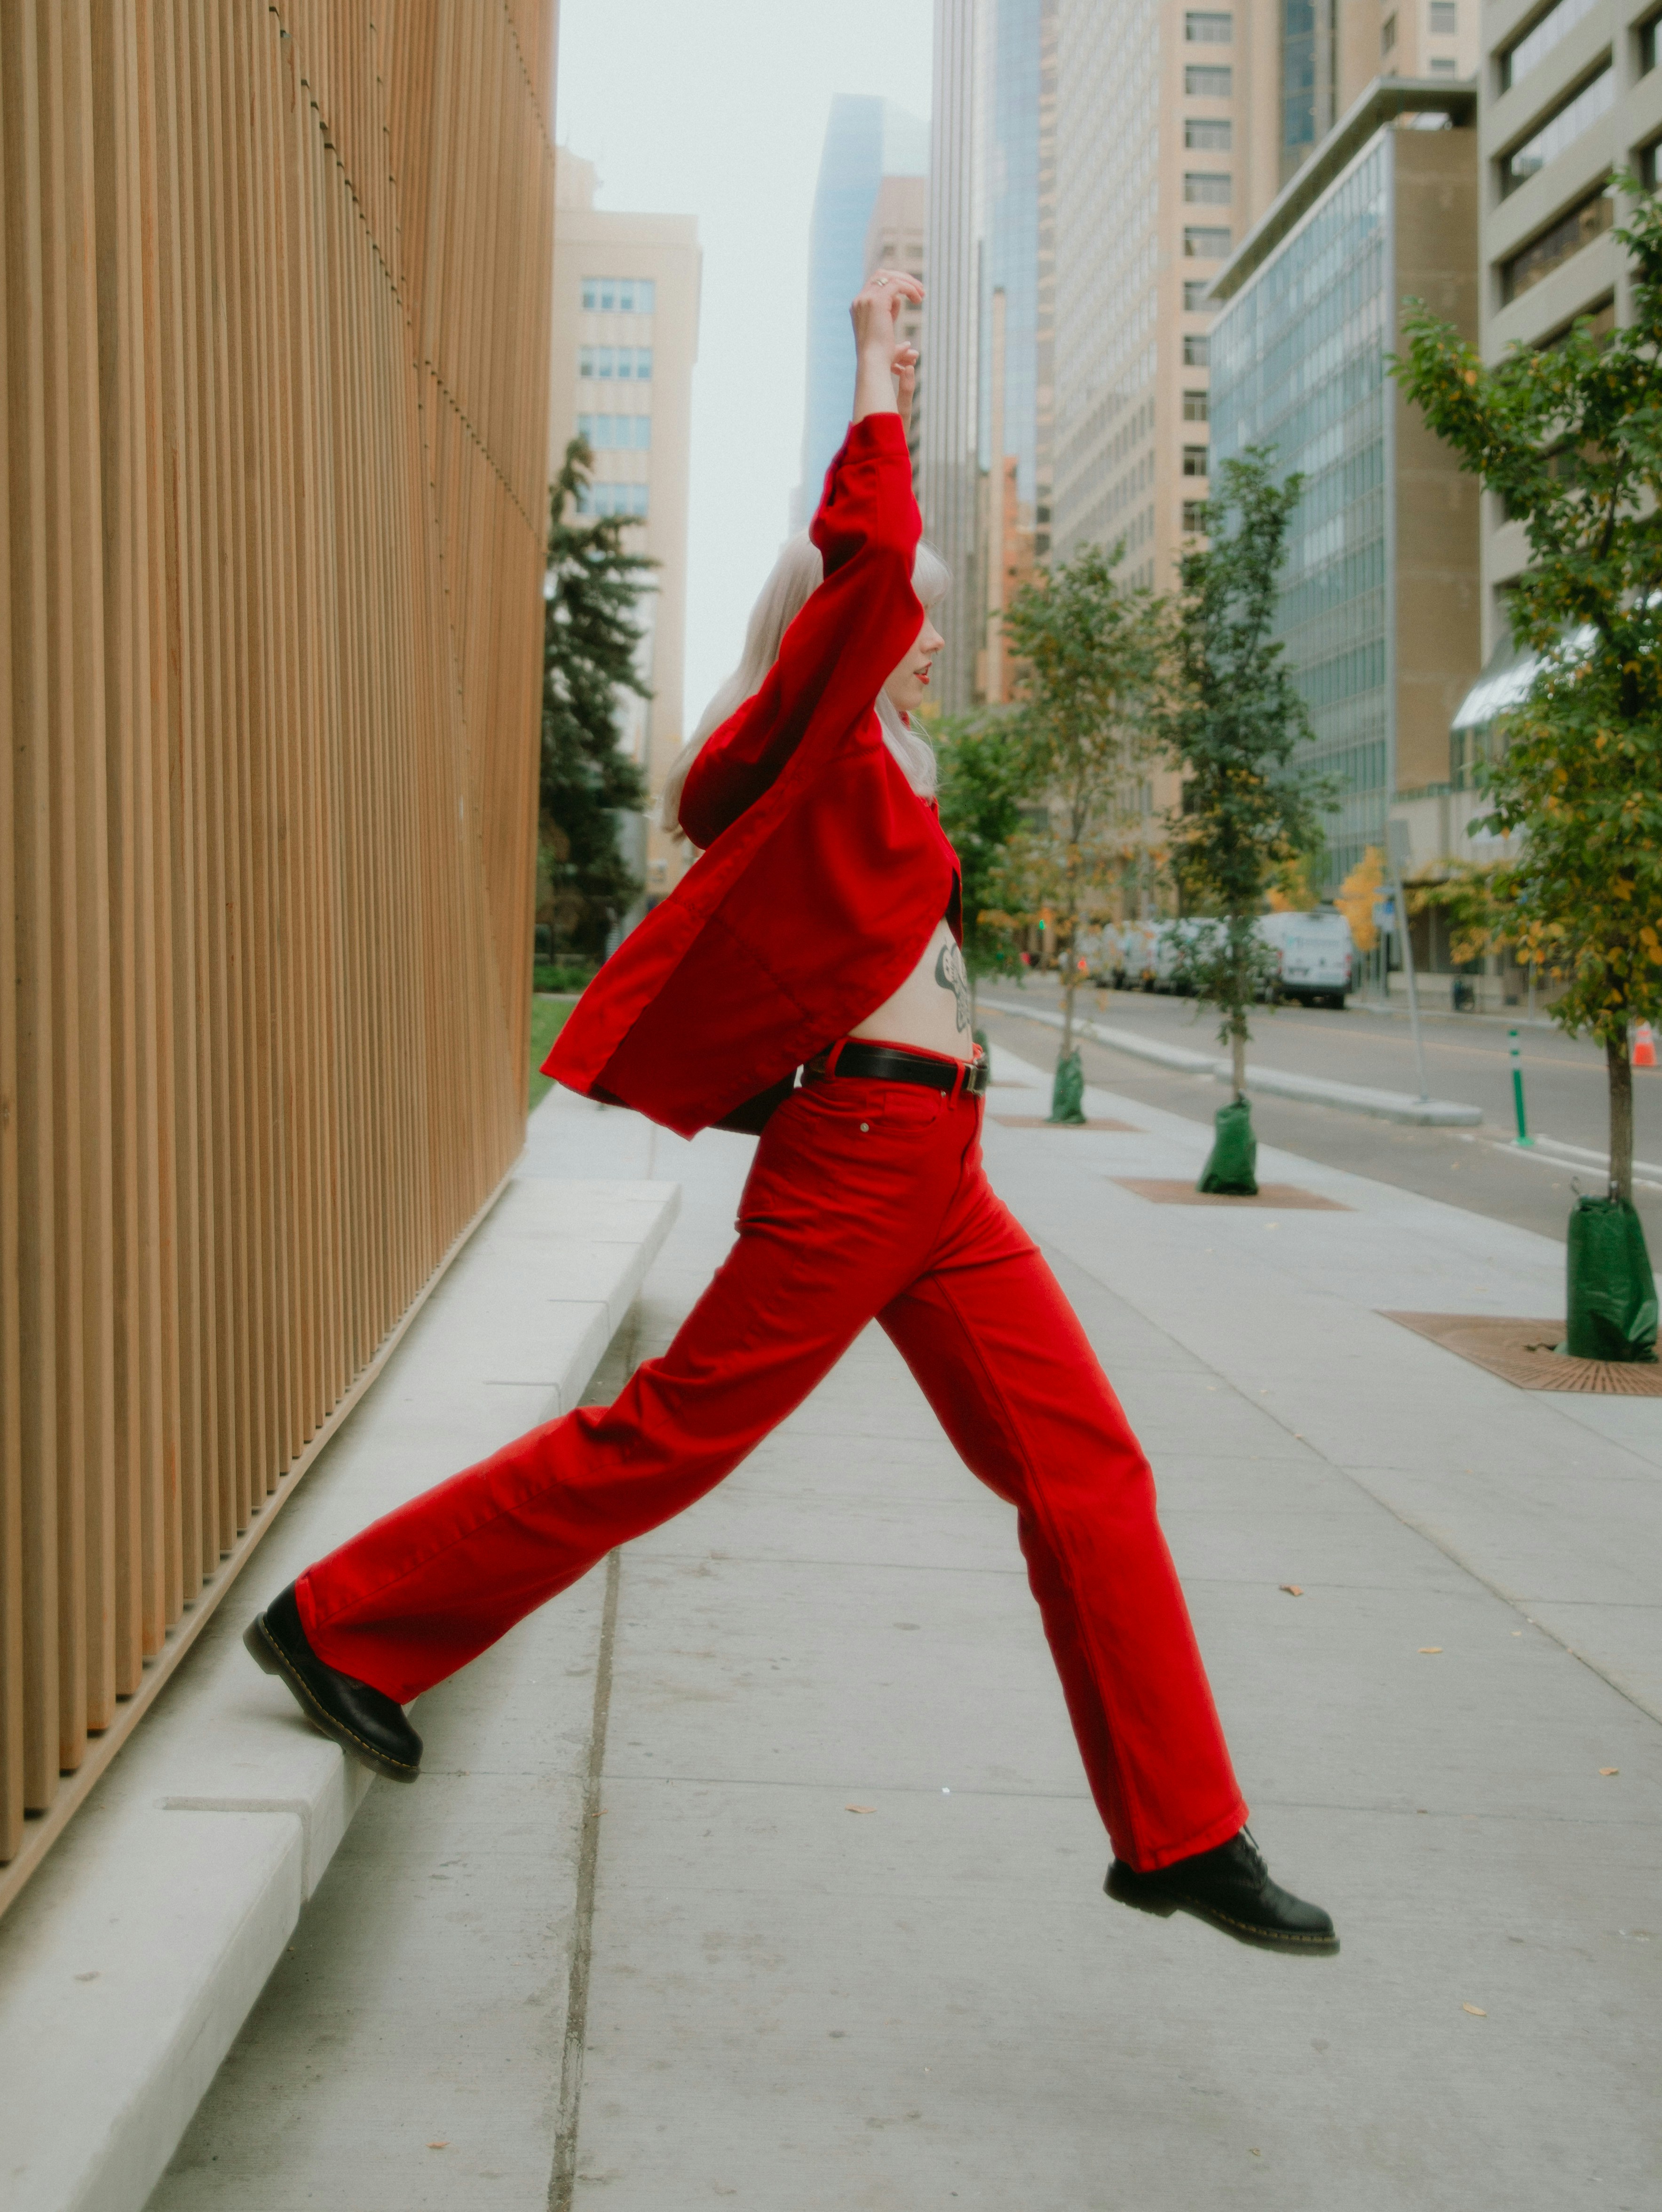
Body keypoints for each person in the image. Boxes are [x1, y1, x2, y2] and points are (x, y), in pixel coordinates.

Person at [245, 270, 1337, 1955]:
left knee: (1088, 1469)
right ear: (851, 623)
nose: (943, 635)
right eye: (925, 617)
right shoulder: (826, 739)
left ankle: (1183, 1829)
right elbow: (879, 566)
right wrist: (878, 373)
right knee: (676, 1433)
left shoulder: (889, 756)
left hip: (942, 1166)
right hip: (867, 1151)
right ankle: (346, 1621)